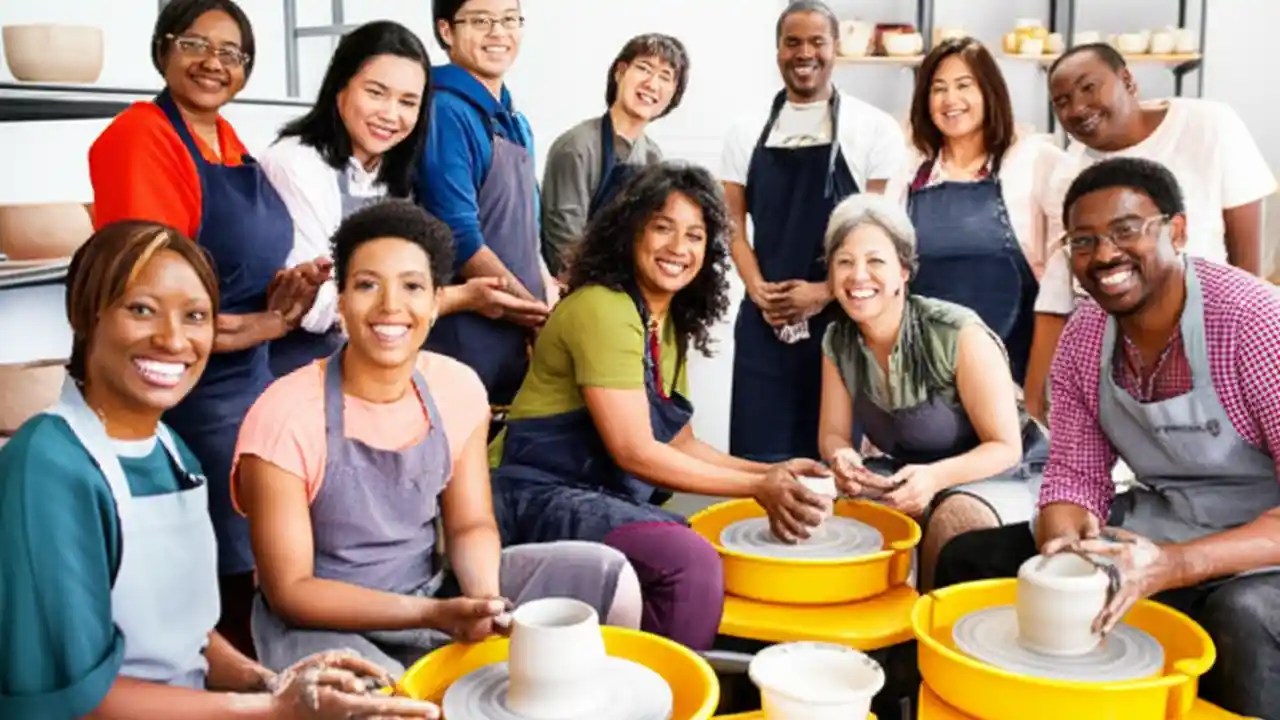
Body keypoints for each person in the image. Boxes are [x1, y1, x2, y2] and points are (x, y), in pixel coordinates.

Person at [0, 221, 439, 720]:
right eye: (141, 309)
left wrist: (273, 680)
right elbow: (79, 699)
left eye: (195, 316)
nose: (172, 339)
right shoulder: (48, 469)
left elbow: (185, 637)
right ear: (86, 313)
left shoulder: (170, 450)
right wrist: (274, 709)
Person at [232, 199, 641, 674]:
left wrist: (486, 600)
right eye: (367, 285)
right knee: (378, 697)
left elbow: (469, 524)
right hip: (321, 623)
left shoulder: (457, 387)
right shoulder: (284, 415)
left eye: (412, 286)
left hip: (432, 592)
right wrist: (435, 616)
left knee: (611, 578)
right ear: (341, 302)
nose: (391, 305)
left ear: (434, 302)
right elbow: (291, 590)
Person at [935, 158, 1280, 719]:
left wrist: (1174, 564)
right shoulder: (1085, 336)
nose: (1105, 255)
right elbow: (1074, 472)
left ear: (1178, 230)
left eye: (1126, 230)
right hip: (1168, 520)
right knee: (973, 560)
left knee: (1239, 618)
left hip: (1263, 547)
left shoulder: (1253, 321)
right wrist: (1065, 545)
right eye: (1084, 240)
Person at [489, 162, 831, 651]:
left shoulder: (666, 323)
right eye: (663, 228)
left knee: (704, 544)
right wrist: (758, 485)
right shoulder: (602, 307)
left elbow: (680, 442)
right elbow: (634, 451)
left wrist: (775, 473)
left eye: (695, 235)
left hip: (595, 494)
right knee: (685, 558)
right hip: (530, 493)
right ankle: (672, 693)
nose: (679, 248)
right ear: (631, 232)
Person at [87, 0, 325, 655]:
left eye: (233, 53)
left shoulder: (227, 140)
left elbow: (237, 264)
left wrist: (287, 293)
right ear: (164, 48)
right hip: (183, 389)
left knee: (269, 552)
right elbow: (152, 306)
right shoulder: (142, 136)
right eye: (196, 44)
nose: (214, 63)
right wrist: (266, 324)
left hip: (249, 376)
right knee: (223, 575)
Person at [260, 20, 548, 377]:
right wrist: (456, 298)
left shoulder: (391, 175)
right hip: (301, 373)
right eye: (376, 93)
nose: (391, 114)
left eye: (408, 102)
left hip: (371, 371)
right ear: (340, 88)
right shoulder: (296, 163)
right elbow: (316, 309)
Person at [1021, 42, 1277, 422]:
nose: (1076, 108)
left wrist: (1241, 340)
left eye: (1089, 88)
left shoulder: (1208, 125)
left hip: (1215, 332)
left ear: (1128, 80)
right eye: (1062, 101)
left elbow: (1246, 266)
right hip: (1126, 353)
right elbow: (1068, 280)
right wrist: (1040, 383)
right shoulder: (1069, 174)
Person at [817, 194, 1047, 591]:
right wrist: (844, 458)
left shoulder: (957, 332)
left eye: (875, 261)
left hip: (1010, 471)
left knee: (953, 522)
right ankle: (873, 639)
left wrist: (935, 478)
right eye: (844, 262)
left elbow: (1005, 447)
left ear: (904, 270)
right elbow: (833, 434)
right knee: (842, 509)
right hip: (911, 470)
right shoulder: (838, 340)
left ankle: (923, 641)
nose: (858, 277)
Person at [720, 0, 907, 462]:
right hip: (765, 323)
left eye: (817, 42)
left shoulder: (874, 128)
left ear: (835, 49)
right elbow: (731, 225)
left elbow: (879, 236)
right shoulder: (745, 131)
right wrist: (759, 290)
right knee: (756, 462)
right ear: (778, 51)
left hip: (844, 319)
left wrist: (823, 291)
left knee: (833, 461)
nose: (805, 53)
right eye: (793, 42)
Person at [885, 37, 1065, 385]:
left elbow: (1063, 277)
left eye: (963, 85)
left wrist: (1037, 386)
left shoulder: (1034, 162)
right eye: (938, 89)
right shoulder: (907, 172)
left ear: (989, 92)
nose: (950, 100)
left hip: (1019, 367)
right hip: (927, 372)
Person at [417, 0, 557, 414]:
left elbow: (529, 229)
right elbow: (460, 238)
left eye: (510, 20)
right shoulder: (444, 110)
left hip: (516, 332)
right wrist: (534, 314)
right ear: (446, 30)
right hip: (466, 333)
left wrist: (546, 295)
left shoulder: (515, 120)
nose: (499, 32)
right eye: (480, 21)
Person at [540, 33, 690, 276]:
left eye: (665, 77)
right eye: (644, 68)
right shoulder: (577, 146)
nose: (652, 84)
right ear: (619, 72)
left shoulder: (653, 157)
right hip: (577, 289)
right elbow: (564, 242)